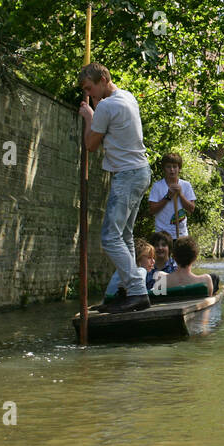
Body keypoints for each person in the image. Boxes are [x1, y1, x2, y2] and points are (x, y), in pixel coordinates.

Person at [78, 62, 151, 314]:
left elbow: (90, 145)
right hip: (141, 172)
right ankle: (126, 292)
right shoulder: (127, 97)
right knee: (125, 236)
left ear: (102, 79)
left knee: (110, 238)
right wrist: (95, 110)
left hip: (127, 176)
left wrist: (89, 116)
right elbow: (108, 121)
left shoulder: (106, 107)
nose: (89, 94)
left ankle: (137, 291)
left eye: (90, 88)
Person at [149, 152, 196, 239]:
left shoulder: (186, 185)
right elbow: (152, 210)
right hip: (162, 234)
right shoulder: (157, 186)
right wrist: (168, 196)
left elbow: (191, 208)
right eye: (168, 167)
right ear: (164, 168)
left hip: (181, 234)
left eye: (175, 167)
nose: (172, 170)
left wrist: (181, 195)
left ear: (179, 168)